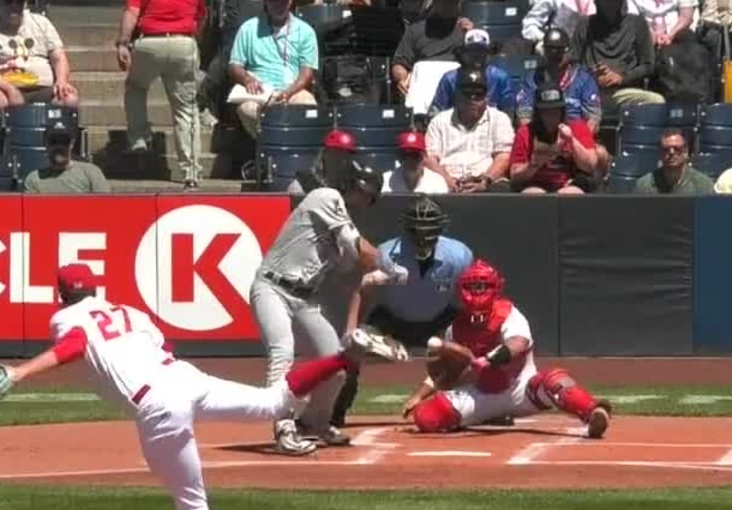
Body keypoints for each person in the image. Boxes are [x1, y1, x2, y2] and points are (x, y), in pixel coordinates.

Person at [0, 262, 390, 510]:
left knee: (193, 504)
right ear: (97, 290)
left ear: (62, 296)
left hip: (158, 407)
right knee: (273, 404)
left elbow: (74, 345)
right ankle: (341, 356)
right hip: (185, 379)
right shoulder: (130, 312)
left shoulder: (65, 317)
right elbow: (156, 347)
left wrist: (18, 372)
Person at [250, 159, 410, 455]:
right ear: (351, 184)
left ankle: (314, 422)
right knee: (281, 352)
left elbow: (350, 275)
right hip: (272, 287)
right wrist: (391, 266)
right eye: (365, 192)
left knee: (336, 364)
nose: (366, 200)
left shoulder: (342, 226)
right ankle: (283, 429)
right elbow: (359, 245)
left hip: (305, 297)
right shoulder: (325, 197)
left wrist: (380, 276)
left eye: (371, 196)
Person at [401, 260, 613, 438]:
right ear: (461, 290)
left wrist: (489, 359)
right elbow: (446, 373)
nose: (477, 292)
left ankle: (592, 412)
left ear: (495, 288)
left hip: (521, 389)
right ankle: (488, 416)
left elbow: (518, 343)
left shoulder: (509, 314)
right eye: (472, 287)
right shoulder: (456, 328)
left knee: (555, 380)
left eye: (482, 287)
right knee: (427, 417)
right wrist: (419, 396)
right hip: (481, 393)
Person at [331, 195, 471, 429]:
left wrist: (471, 331)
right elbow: (364, 289)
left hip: (440, 316)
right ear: (407, 229)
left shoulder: (459, 254)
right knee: (351, 351)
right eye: (417, 230)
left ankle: (474, 406)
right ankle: (336, 412)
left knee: (474, 349)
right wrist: (351, 328)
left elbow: (466, 294)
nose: (423, 237)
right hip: (393, 318)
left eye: (429, 230)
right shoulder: (386, 254)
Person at [117, 0, 207, 188]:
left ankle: (139, 138)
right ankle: (191, 172)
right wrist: (192, 41)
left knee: (135, 87)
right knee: (186, 109)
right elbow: (201, 18)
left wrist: (122, 42)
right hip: (184, 43)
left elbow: (132, 12)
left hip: (149, 43)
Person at [229, 0, 318, 139]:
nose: (278, 3)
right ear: (265, 0)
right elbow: (235, 65)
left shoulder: (306, 31)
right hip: (259, 93)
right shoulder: (248, 28)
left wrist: (289, 92)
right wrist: (248, 79)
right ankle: (269, 147)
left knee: (308, 107)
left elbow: (307, 72)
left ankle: (290, 150)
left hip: (292, 90)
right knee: (246, 109)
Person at [0, 0, 79, 111]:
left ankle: (59, 131)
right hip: (5, 89)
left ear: (25, 2)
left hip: (44, 87)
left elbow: (59, 58)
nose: (14, 5)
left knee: (69, 98)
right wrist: (10, 90)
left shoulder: (41, 23)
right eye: (8, 0)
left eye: (19, 0)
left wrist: (61, 81)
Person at [574, 0, 663, 116]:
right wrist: (591, 76)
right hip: (591, 93)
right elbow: (573, 62)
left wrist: (621, 77)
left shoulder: (637, 23)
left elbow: (648, 66)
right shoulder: (585, 24)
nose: (611, 3)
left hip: (624, 92)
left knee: (656, 101)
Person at [424, 67, 515, 193]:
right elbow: (429, 158)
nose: (472, 99)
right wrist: (447, 180)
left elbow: (504, 156)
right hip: (447, 180)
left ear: (487, 97)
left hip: (486, 181)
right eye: (467, 94)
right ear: (457, 96)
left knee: (502, 187)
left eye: (478, 95)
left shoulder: (499, 119)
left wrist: (486, 180)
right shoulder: (439, 121)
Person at [391, 0, 471, 102]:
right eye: (443, 1)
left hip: (455, 88)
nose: (447, 5)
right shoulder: (415, 30)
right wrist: (402, 79)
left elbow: (480, 61)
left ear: (460, 3)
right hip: (423, 85)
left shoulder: (466, 30)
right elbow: (400, 62)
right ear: (434, 2)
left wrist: (472, 36)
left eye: (452, 1)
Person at [509, 85, 600, 194]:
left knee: (570, 194)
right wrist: (535, 164)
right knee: (533, 195)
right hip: (535, 183)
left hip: (569, 183)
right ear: (538, 113)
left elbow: (590, 166)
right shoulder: (525, 133)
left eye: (555, 110)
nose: (551, 116)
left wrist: (572, 141)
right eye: (546, 111)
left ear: (562, 111)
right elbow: (515, 175)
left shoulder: (578, 128)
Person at [516, 27, 603, 132]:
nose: (554, 55)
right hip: (541, 138)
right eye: (550, 50)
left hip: (575, 136)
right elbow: (524, 117)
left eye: (559, 51)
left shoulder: (584, 79)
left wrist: (574, 141)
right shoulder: (532, 79)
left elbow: (593, 120)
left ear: (569, 51)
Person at [428, 28, 516, 117]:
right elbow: (437, 109)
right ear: (464, 53)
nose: (476, 55)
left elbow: (508, 110)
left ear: (488, 53)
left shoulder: (500, 77)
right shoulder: (450, 78)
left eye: (481, 51)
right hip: (456, 126)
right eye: (472, 51)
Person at [22, 121, 110, 194]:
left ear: (71, 144)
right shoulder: (35, 179)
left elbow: (104, 208)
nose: (58, 147)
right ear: (45, 144)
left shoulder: (91, 173)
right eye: (53, 141)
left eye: (64, 141)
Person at [634, 128, 715, 194]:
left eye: (677, 149)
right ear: (660, 153)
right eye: (666, 149)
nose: (671, 152)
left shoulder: (703, 185)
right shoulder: (644, 185)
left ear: (686, 152)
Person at [287, 129, 358, 197]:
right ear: (324, 153)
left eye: (346, 155)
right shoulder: (303, 183)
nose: (342, 159)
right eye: (336, 153)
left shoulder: (353, 185)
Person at [382, 130, 449, 193]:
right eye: (405, 156)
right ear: (399, 157)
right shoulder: (386, 181)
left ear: (424, 157)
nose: (410, 161)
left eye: (415, 156)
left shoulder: (437, 182)